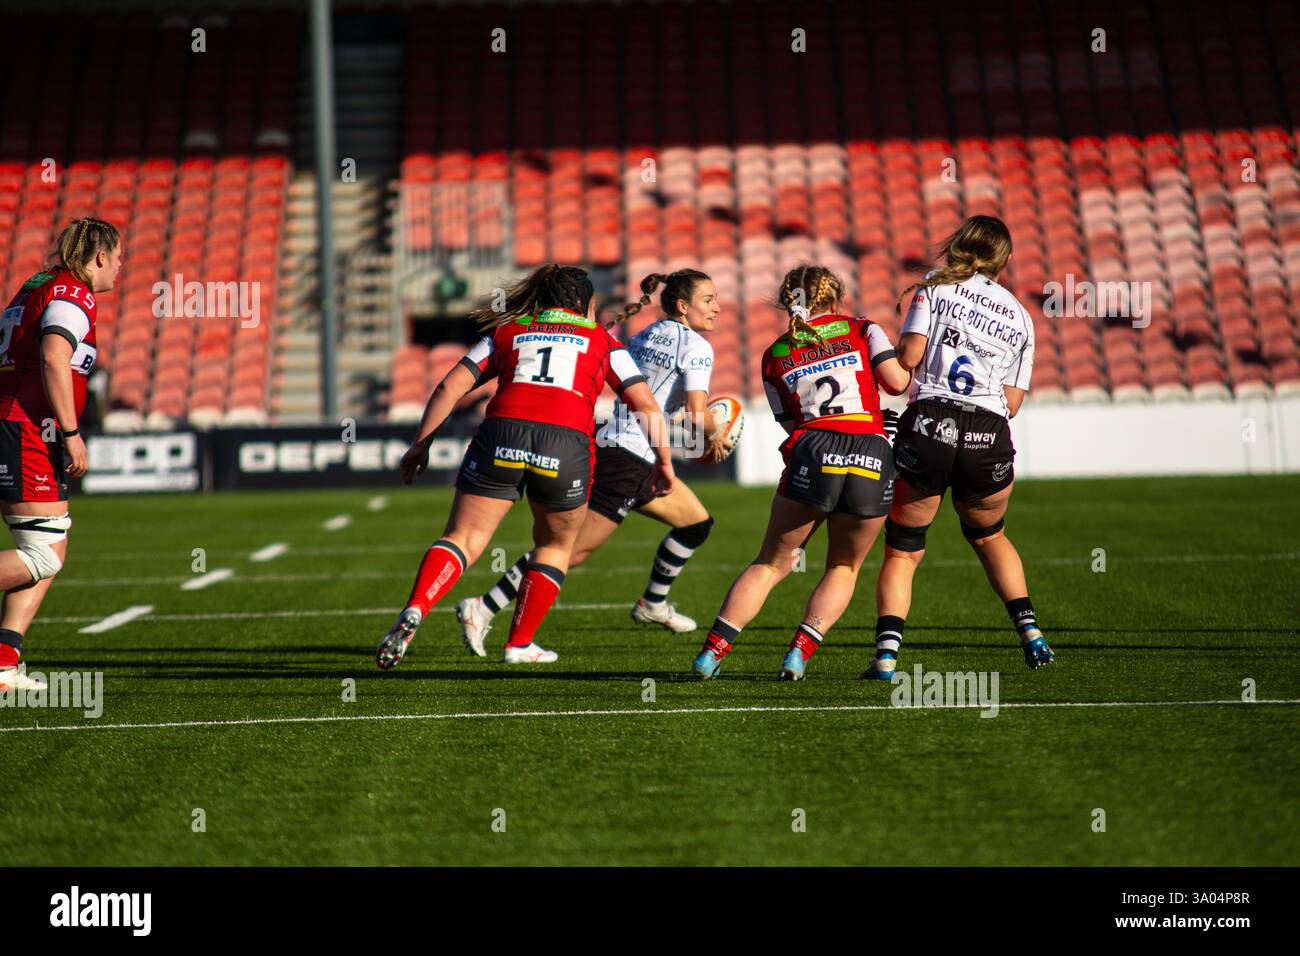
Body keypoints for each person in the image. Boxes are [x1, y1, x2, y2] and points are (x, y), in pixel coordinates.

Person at [377, 264, 675, 667]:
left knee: (463, 538)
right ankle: (519, 644)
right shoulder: (602, 340)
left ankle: (416, 606)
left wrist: (419, 445)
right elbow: (644, 403)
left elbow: (450, 385)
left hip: (502, 434)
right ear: (587, 304)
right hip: (566, 443)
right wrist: (664, 461)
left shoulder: (507, 330)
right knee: (554, 546)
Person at [455, 270, 731, 654]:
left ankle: (652, 605)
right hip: (630, 458)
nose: (717, 307)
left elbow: (657, 397)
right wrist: (718, 435)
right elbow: (699, 415)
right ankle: (482, 607)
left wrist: (686, 420)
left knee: (696, 524)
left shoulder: (642, 334)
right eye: (709, 299)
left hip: (621, 449)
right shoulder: (697, 347)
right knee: (566, 550)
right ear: (683, 306)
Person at [690, 265, 911, 680]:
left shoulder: (773, 353)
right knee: (842, 566)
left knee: (772, 564)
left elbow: (791, 425)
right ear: (835, 296)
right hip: (870, 448)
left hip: (815, 449)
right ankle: (798, 654)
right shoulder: (863, 329)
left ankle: (711, 654)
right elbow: (897, 384)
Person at [864, 215, 1053, 681]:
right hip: (988, 434)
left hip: (930, 423)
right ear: (1003, 261)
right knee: (990, 536)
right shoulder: (1021, 317)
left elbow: (907, 362)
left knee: (904, 549)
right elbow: (1011, 403)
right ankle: (1030, 632)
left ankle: (887, 656)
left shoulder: (935, 287)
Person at [0, 218, 120, 692]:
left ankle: (5, 660)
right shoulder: (73, 293)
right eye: (119, 257)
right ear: (100, 257)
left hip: (17, 423)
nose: (120, 268)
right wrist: (71, 433)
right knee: (44, 553)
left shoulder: (37, 284)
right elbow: (53, 356)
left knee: (52, 544)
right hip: (25, 427)